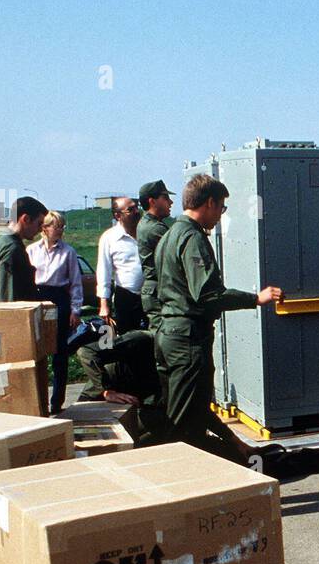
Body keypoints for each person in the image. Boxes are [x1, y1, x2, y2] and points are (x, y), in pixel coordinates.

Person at [154, 174, 283, 462]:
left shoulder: (169, 236)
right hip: (187, 340)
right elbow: (208, 296)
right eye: (221, 208)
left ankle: (235, 456)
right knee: (184, 429)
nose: (220, 216)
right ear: (209, 202)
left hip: (169, 336)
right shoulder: (192, 238)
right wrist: (254, 299)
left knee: (185, 413)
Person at [28, 210, 84, 414]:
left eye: (62, 226)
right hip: (38, 298)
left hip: (60, 299)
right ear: (45, 228)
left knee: (60, 353)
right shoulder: (31, 250)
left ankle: (57, 402)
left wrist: (75, 310)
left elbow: (76, 283)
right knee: (36, 350)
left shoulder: (68, 252)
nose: (60, 230)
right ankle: (37, 399)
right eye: (56, 226)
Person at [0, 195, 47, 303]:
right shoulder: (12, 248)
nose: (40, 229)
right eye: (39, 223)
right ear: (26, 219)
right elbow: (10, 297)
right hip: (10, 316)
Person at [97, 196, 144, 334]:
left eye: (137, 207)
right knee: (128, 342)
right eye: (130, 209)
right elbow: (103, 271)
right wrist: (104, 304)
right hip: (126, 297)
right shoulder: (109, 238)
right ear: (118, 215)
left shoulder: (147, 233)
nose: (136, 211)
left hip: (150, 296)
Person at [136, 179, 175, 333]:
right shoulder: (154, 228)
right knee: (163, 338)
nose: (170, 202)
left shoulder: (150, 224)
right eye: (165, 198)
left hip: (156, 289)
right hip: (157, 290)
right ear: (152, 201)